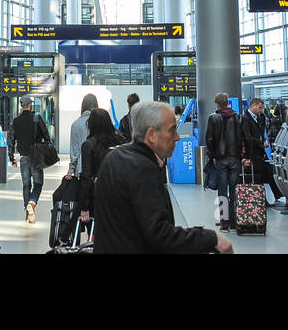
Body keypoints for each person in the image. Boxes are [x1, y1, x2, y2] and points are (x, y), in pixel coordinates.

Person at [94, 101, 232, 255]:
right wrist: (210, 238)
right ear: (152, 135)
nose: (178, 137)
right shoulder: (142, 168)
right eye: (172, 131)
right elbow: (159, 234)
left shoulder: (114, 158)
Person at [6, 94, 51, 223]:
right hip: (37, 157)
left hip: (23, 157)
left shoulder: (16, 121)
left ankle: (27, 211)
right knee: (38, 184)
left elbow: (11, 140)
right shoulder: (37, 118)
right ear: (30, 105)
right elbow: (47, 136)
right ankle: (32, 203)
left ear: (21, 105)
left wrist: (11, 158)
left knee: (26, 185)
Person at [205, 92, 242, 233]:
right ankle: (233, 223)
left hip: (221, 159)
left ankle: (224, 223)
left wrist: (212, 154)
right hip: (234, 159)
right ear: (227, 102)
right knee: (234, 190)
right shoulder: (238, 117)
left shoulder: (213, 118)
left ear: (217, 103)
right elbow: (242, 137)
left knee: (222, 190)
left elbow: (209, 139)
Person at [77, 107, 122, 224]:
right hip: (120, 194)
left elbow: (86, 177)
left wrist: (84, 207)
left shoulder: (88, 145)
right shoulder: (121, 140)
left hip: (97, 196)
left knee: (96, 230)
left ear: (90, 124)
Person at [240, 97, 283, 206]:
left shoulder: (261, 117)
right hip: (252, 152)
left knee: (268, 173)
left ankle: (277, 195)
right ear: (253, 106)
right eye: (259, 108)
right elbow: (247, 137)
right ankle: (263, 200)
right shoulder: (245, 119)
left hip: (260, 151)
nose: (261, 110)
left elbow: (261, 132)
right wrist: (260, 143)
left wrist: (263, 143)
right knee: (258, 177)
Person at [66, 93, 98, 181]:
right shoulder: (101, 122)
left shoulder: (75, 124)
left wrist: (71, 170)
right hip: (99, 168)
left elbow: (75, 151)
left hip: (82, 168)